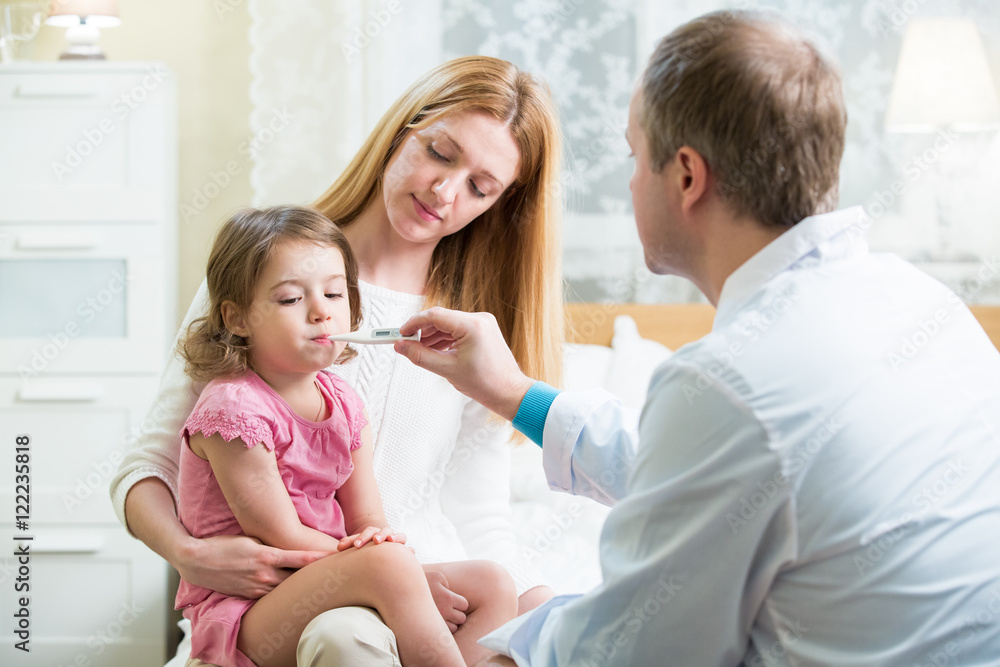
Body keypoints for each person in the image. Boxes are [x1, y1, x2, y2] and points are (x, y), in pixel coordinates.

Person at [394, 10, 1000, 666]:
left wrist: (512, 639)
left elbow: (627, 648)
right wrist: (515, 393)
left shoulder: (731, 382)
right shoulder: (925, 304)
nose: (629, 183)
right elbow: (714, 471)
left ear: (686, 175)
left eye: (634, 155)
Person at [109, 55, 564, 666]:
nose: (443, 191)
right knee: (344, 639)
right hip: (292, 597)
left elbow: (479, 511)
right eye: (439, 152)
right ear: (403, 130)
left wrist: (539, 607)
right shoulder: (267, 273)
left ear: (498, 205)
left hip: (424, 590)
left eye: (480, 187)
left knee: (530, 611)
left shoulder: (472, 324)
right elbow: (150, 463)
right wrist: (189, 555)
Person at [174, 205, 517, 667]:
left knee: (493, 582)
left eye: (334, 295)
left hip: (331, 575)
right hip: (248, 609)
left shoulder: (344, 401)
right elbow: (282, 535)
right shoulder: (233, 408)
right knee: (390, 564)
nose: (321, 312)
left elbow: (367, 518)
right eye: (292, 299)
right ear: (237, 319)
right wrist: (397, 574)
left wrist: (389, 567)